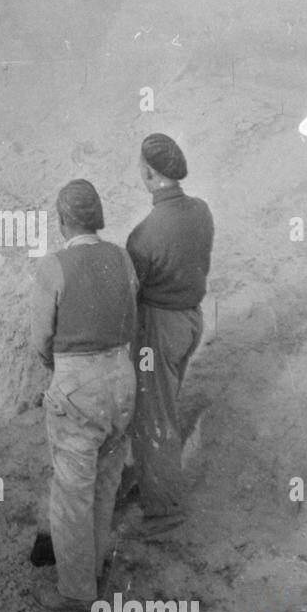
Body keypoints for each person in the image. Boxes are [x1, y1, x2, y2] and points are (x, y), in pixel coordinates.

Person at [30, 179, 138, 612]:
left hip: (78, 384)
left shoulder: (53, 266)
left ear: (62, 221)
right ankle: (91, 569)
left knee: (72, 493)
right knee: (105, 482)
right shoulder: (122, 257)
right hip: (122, 378)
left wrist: (59, 370)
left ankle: (76, 594)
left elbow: (41, 338)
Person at [123, 133, 213, 537]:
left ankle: (164, 512)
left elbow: (131, 296)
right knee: (163, 403)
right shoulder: (201, 211)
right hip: (191, 320)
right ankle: (147, 476)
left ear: (148, 172)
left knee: (153, 418)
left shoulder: (144, 235)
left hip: (158, 328)